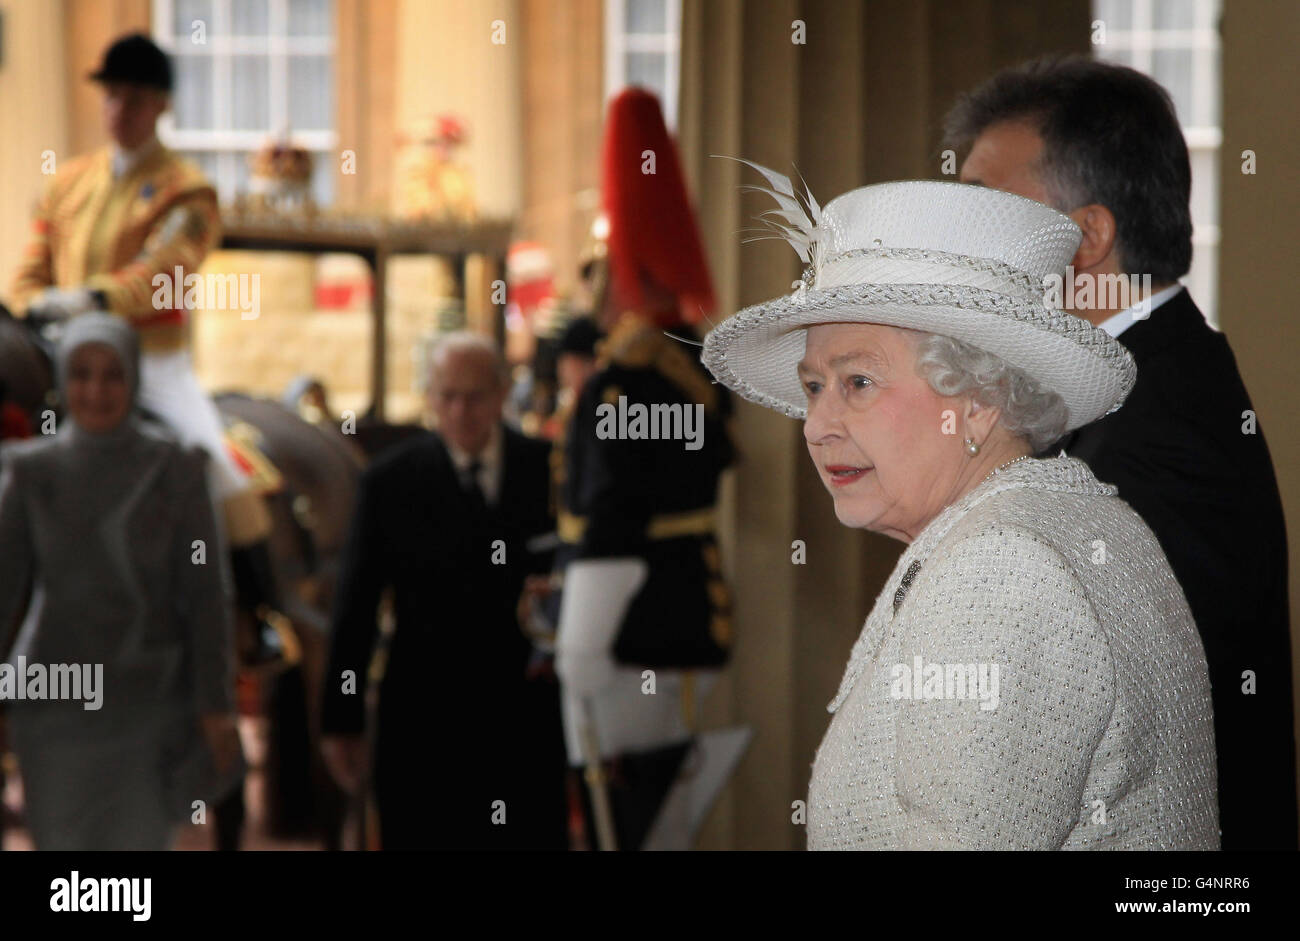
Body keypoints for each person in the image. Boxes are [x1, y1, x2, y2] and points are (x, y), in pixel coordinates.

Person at [702, 165, 1219, 849]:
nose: (818, 423)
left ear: (979, 399)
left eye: (857, 381)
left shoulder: (1002, 570)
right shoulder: (1058, 522)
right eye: (814, 384)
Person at [945, 55, 1296, 850]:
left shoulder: (1164, 427)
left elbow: (1118, 716)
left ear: (1088, 238)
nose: (963, 253)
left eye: (986, 218)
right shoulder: (1143, 382)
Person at [7, 32, 286, 667]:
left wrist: (92, 300)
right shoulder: (68, 182)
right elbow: (29, 271)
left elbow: (168, 271)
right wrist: (32, 307)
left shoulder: (186, 190)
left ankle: (260, 613)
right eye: (111, 97)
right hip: (62, 353)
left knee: (211, 461)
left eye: (133, 98)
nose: (118, 111)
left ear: (160, 105)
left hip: (149, 359)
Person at [544, 88, 736, 851]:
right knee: (668, 822)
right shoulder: (698, 363)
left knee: (618, 825)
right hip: (691, 610)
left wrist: (578, 649)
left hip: (622, 636)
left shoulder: (619, 383)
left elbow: (612, 525)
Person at [0, 313, 242, 850]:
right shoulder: (29, 472)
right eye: (81, 374)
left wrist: (215, 701)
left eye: (112, 375)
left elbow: (205, 594)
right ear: (64, 380)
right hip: (52, 704)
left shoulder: (176, 469)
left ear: (132, 378)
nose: (96, 390)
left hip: (150, 701)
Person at [320, 332, 567, 849]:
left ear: (502, 394)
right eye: (447, 396)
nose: (461, 411)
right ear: (430, 399)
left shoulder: (550, 472)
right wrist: (341, 719)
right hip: (424, 719)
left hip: (525, 716)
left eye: (475, 396)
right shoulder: (390, 484)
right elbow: (355, 607)